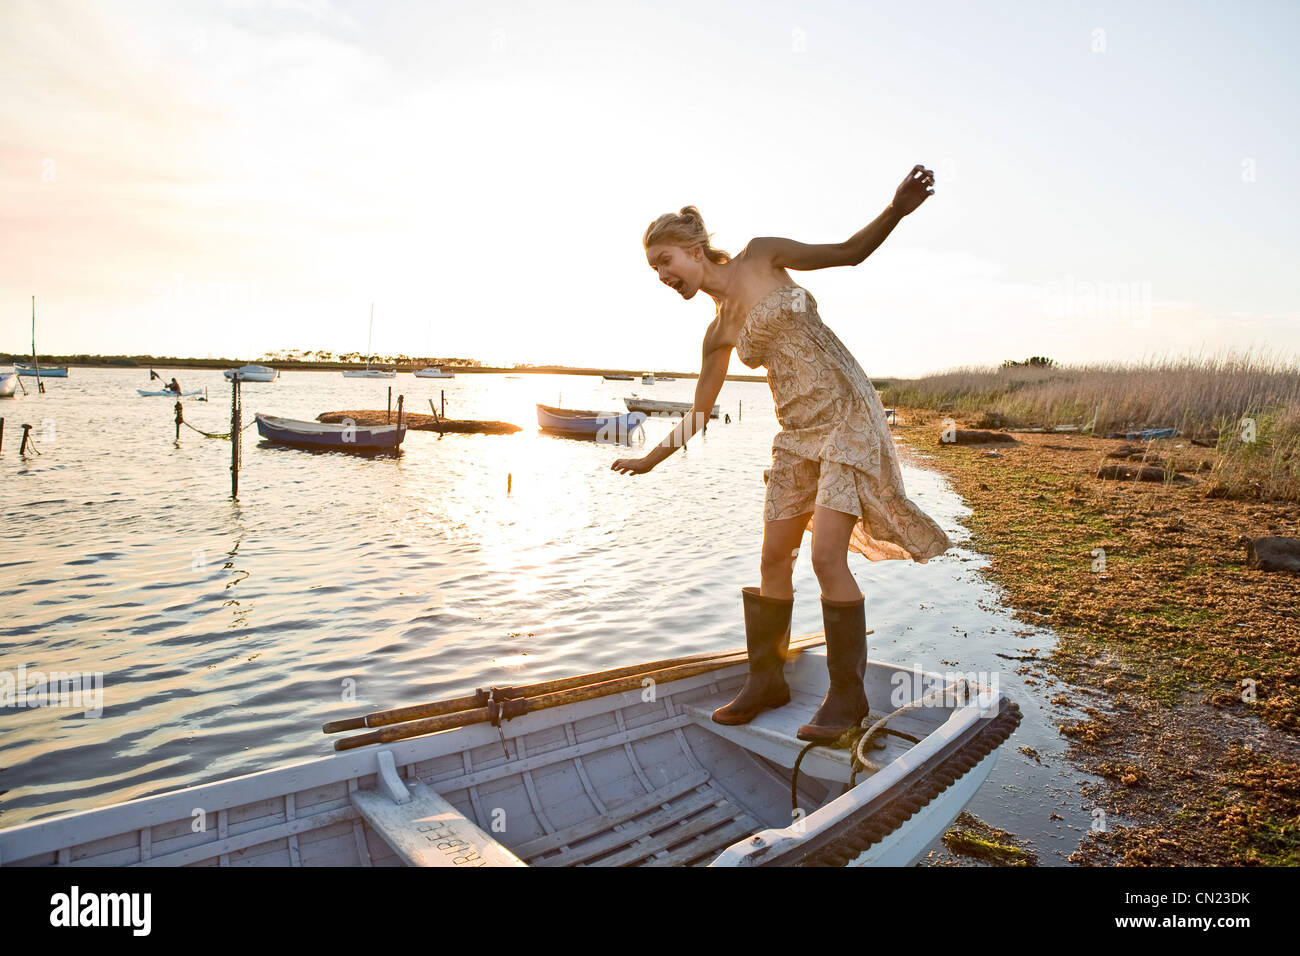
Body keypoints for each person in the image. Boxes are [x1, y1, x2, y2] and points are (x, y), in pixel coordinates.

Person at [612, 166, 955, 742]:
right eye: (655, 270)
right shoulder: (717, 332)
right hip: (796, 433)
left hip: (846, 413)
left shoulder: (762, 255)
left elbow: (848, 253)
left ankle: (847, 701)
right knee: (773, 557)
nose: (663, 276)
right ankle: (767, 680)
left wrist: (896, 209)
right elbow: (698, 411)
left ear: (694, 249)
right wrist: (650, 460)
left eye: (665, 261)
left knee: (825, 557)